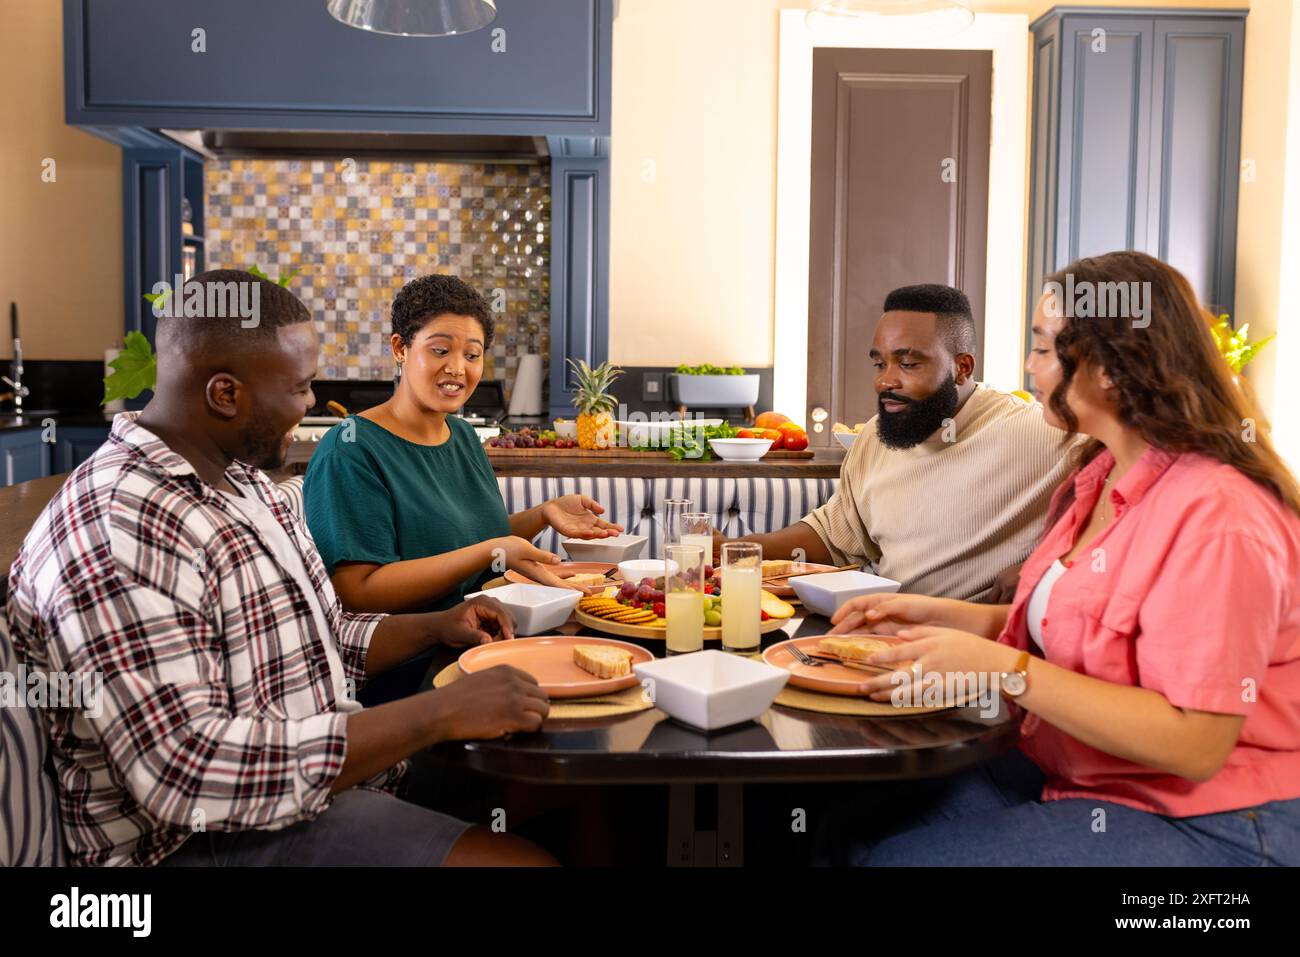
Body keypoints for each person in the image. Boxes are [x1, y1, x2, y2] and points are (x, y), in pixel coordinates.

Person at [6, 271, 555, 867]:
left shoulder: (242, 483)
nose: (313, 403)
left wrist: (438, 626)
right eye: (300, 387)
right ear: (225, 394)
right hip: (197, 842)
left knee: (577, 804)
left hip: (314, 788)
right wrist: (437, 713)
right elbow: (190, 773)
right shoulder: (123, 524)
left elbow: (323, 637)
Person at [825, 251, 1300, 866]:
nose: (1028, 366)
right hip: (1077, 777)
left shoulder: (1219, 515)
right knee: (827, 825)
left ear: (1107, 367)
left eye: (1045, 348)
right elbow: (1063, 631)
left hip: (1217, 821)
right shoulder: (1095, 478)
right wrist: (932, 616)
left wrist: (1002, 666)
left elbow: (1195, 742)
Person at [719, 285, 1079, 601]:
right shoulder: (876, 437)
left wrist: (1048, 565)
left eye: (907, 364)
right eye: (880, 364)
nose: (885, 381)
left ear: (962, 368)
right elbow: (834, 536)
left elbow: (1130, 505)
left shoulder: (1040, 432)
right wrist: (734, 552)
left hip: (975, 649)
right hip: (888, 635)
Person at [304, 274, 621, 617]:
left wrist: (543, 513)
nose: (457, 368)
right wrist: (491, 550)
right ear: (400, 348)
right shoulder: (351, 449)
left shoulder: (463, 436)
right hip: (423, 652)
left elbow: (474, 538)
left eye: (472, 355)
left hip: (493, 624)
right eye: (440, 350)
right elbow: (358, 592)